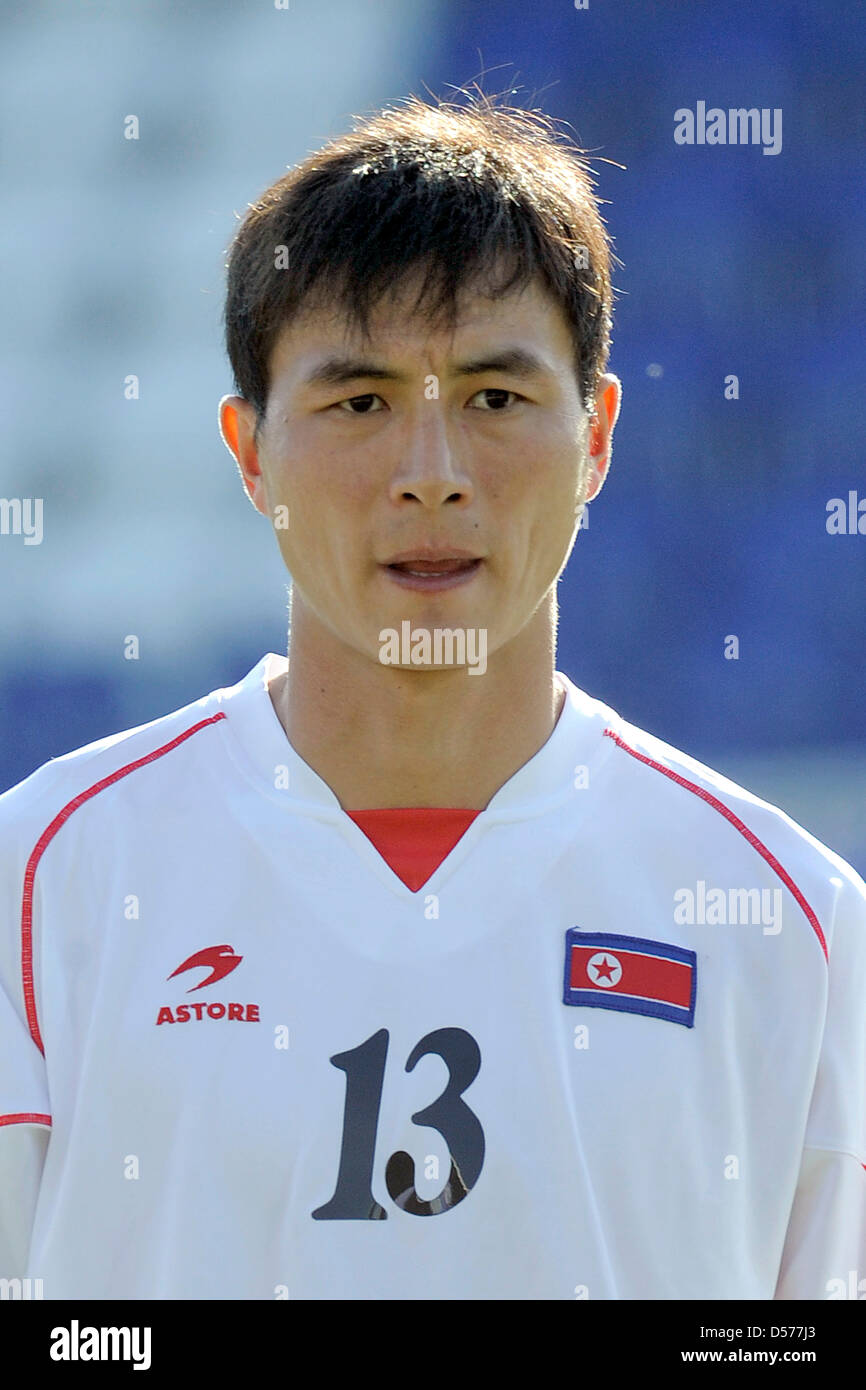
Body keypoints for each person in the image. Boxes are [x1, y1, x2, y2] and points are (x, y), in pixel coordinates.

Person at [1, 92, 863, 1301]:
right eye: (358, 402)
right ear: (249, 454)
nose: (430, 474)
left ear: (597, 436)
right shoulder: (43, 881)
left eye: (493, 398)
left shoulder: (792, 925)